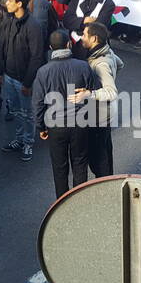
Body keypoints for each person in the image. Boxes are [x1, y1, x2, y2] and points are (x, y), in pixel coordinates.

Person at [33, 29, 97, 199]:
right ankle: (79, 200)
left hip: (55, 126)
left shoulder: (43, 72)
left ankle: (61, 203)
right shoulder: (83, 66)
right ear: (68, 44)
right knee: (80, 163)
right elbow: (93, 92)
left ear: (50, 47)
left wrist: (41, 126)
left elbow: (38, 102)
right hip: (80, 124)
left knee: (59, 167)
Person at [0, 0, 45, 163]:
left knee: (27, 113)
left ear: (19, 3)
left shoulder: (33, 26)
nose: (6, 3)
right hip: (8, 76)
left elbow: (37, 56)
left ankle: (28, 142)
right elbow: (2, 47)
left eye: (10, 1)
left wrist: (27, 82)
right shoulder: (8, 21)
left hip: (23, 80)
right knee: (15, 110)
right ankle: (19, 139)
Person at [72, 23, 122, 178]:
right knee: (105, 151)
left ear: (94, 38)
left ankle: (104, 185)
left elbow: (112, 92)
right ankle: (107, 180)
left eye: (85, 35)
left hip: (99, 115)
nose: (82, 38)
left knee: (99, 158)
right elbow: (120, 64)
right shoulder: (108, 51)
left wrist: (90, 93)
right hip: (105, 114)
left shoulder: (101, 63)